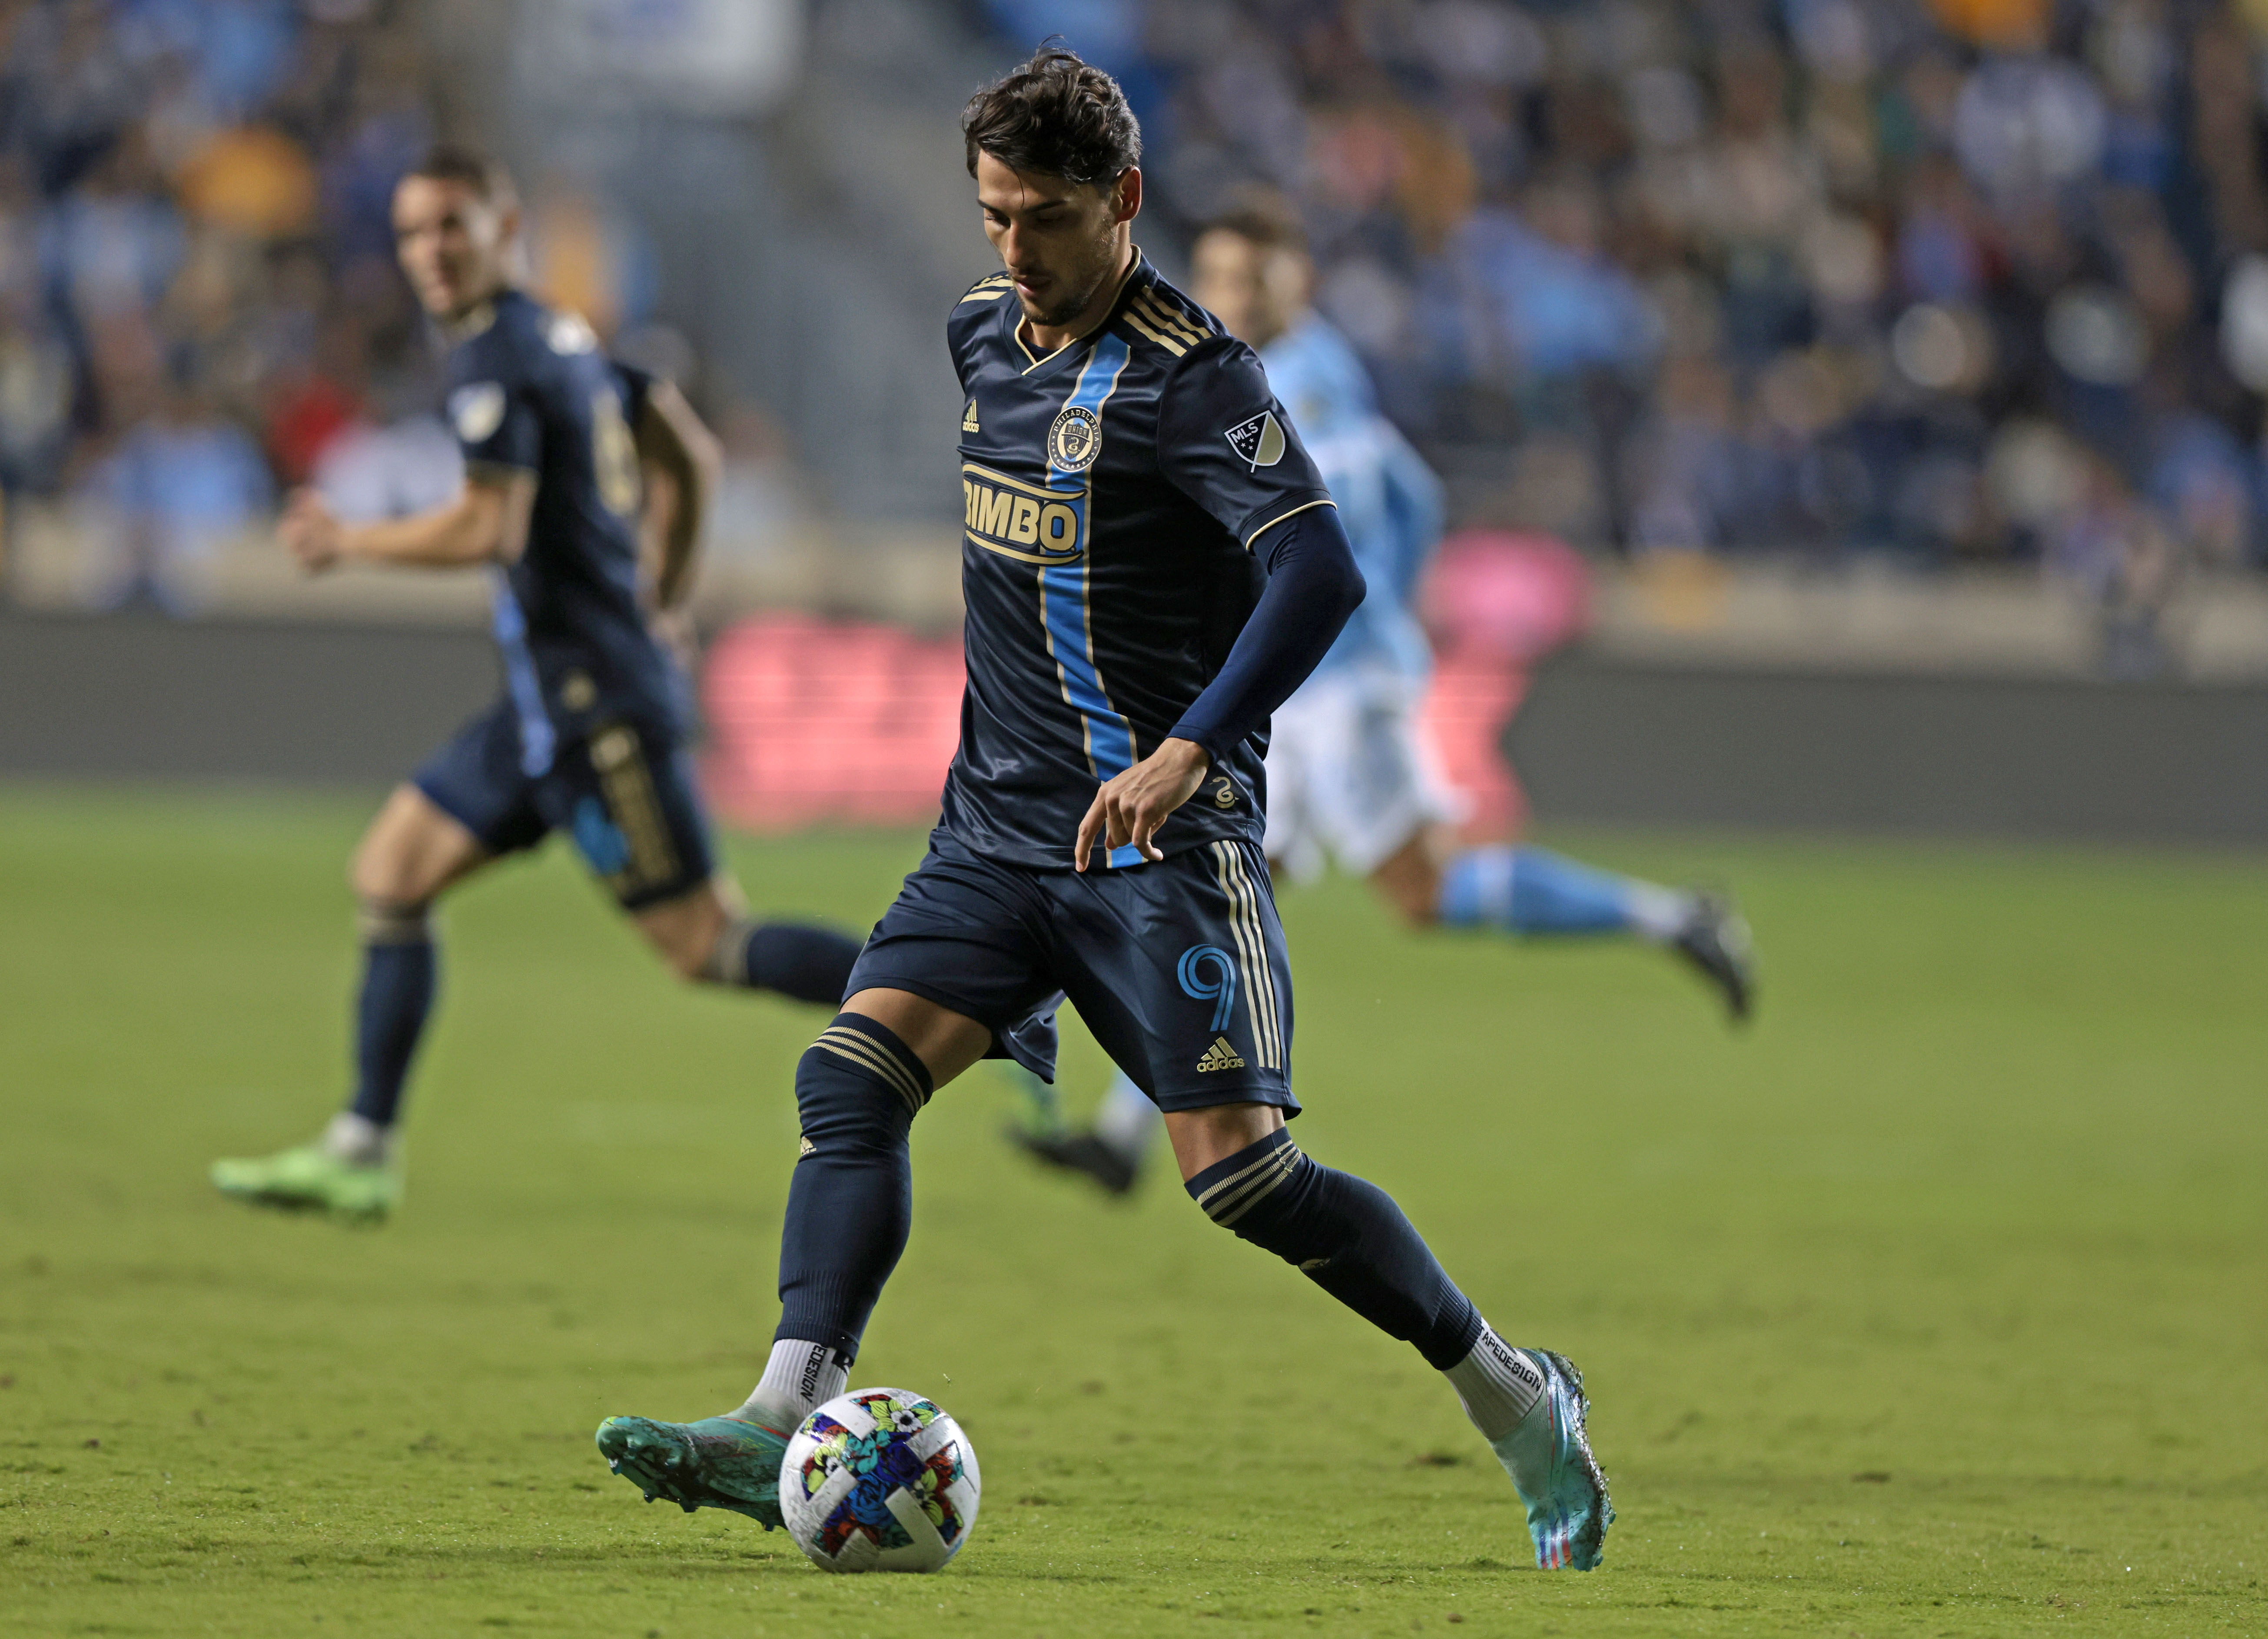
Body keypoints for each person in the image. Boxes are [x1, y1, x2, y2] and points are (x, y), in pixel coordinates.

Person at [593, 50, 1611, 1573]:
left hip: (1158, 850)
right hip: (996, 830)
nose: (1015, 249)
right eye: (994, 216)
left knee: (1244, 1179)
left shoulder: (1199, 381)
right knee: (851, 1077)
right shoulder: (980, 335)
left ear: (1124, 199)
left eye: (1047, 218)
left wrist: (1192, 749)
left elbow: (1318, 570)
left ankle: (1518, 1397)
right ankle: (779, 1412)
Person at [1017, 197, 1755, 1195]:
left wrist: (1353, 631)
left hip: (1332, 694)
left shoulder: (1303, 385)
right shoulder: (1280, 371)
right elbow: (1416, 494)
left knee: (1421, 892)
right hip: (1299, 689)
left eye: (1255, 278)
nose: (1234, 295)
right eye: (1222, 277)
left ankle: (1675, 919)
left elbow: (1311, 524)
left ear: (1299, 281)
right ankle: (1123, 1135)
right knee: (1211, 892)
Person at [209, 147, 864, 1225]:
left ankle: (963, 998)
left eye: (451, 227)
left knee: (707, 945)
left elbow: (490, 524)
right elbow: (685, 451)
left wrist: (349, 539)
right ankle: (363, 1149)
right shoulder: (565, 336)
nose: (430, 251)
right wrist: (664, 593)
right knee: (392, 872)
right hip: (545, 703)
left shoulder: (497, 357)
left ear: (504, 229)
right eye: (413, 232)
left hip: (596, 708)